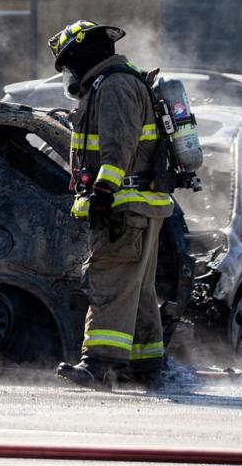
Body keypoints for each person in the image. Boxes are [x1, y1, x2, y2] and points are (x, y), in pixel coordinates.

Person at [48, 20, 174, 390]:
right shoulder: (119, 81)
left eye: (70, 64)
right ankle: (146, 367)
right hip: (139, 205)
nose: (70, 74)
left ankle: (98, 366)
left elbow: (119, 146)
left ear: (84, 55)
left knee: (109, 281)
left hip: (123, 205)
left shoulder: (115, 86)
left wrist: (103, 192)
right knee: (138, 290)